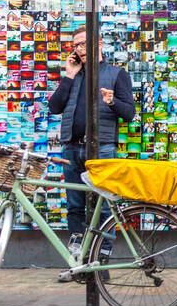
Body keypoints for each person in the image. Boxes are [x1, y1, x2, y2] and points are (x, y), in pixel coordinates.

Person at [47, 27, 135, 262]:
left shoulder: (117, 74)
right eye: (77, 45)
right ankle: (77, 258)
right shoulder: (73, 76)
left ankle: (101, 260)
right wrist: (69, 75)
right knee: (75, 206)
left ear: (99, 43)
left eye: (85, 43)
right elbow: (54, 107)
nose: (81, 49)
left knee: (104, 208)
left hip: (102, 147)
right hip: (71, 148)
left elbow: (129, 114)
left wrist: (112, 101)